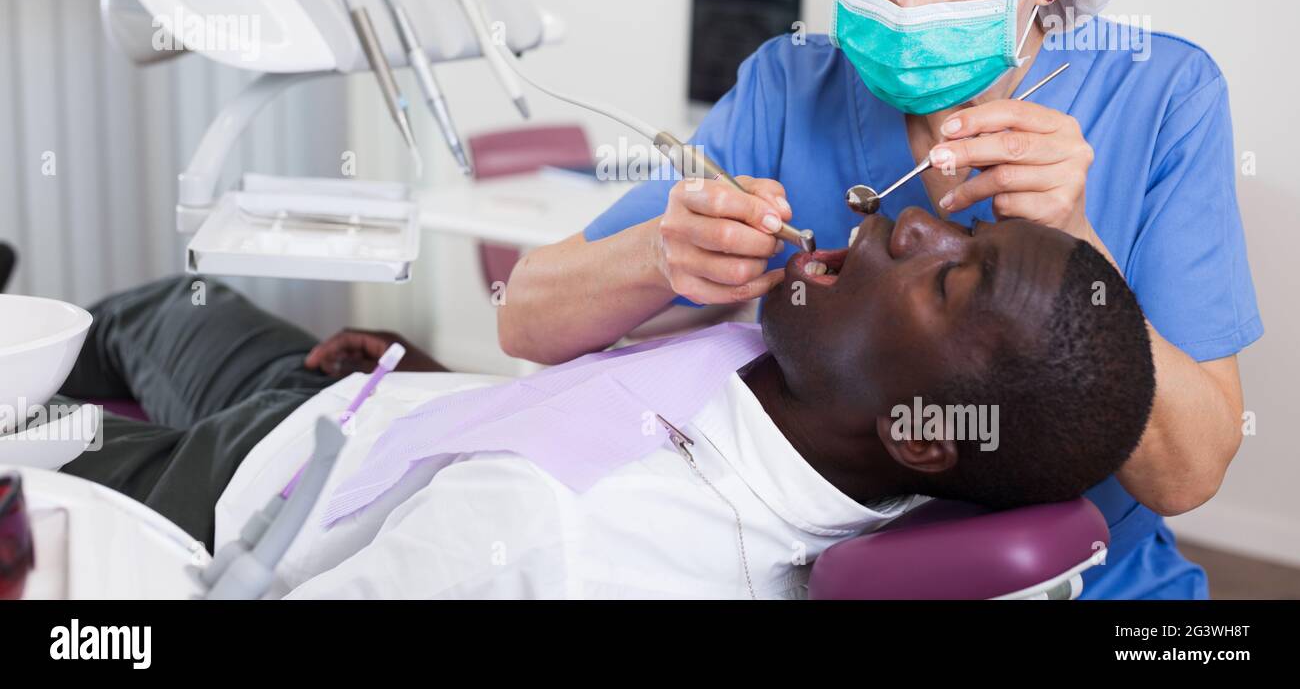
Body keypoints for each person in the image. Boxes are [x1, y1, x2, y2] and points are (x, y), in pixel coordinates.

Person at [497, 0, 1260, 598]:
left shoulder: (1160, 95)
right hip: (814, 571)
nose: (906, 7)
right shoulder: (788, 86)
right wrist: (661, 258)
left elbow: (1188, 477)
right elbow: (525, 319)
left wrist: (1076, 239)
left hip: (1096, 580)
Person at [62, 209, 1154, 598]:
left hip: (240, 481)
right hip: (364, 396)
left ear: (921, 434)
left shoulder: (549, 532)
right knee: (161, 302)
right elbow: (579, 391)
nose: (918, 225)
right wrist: (430, 368)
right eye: (964, 230)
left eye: (952, 275)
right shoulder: (803, 383)